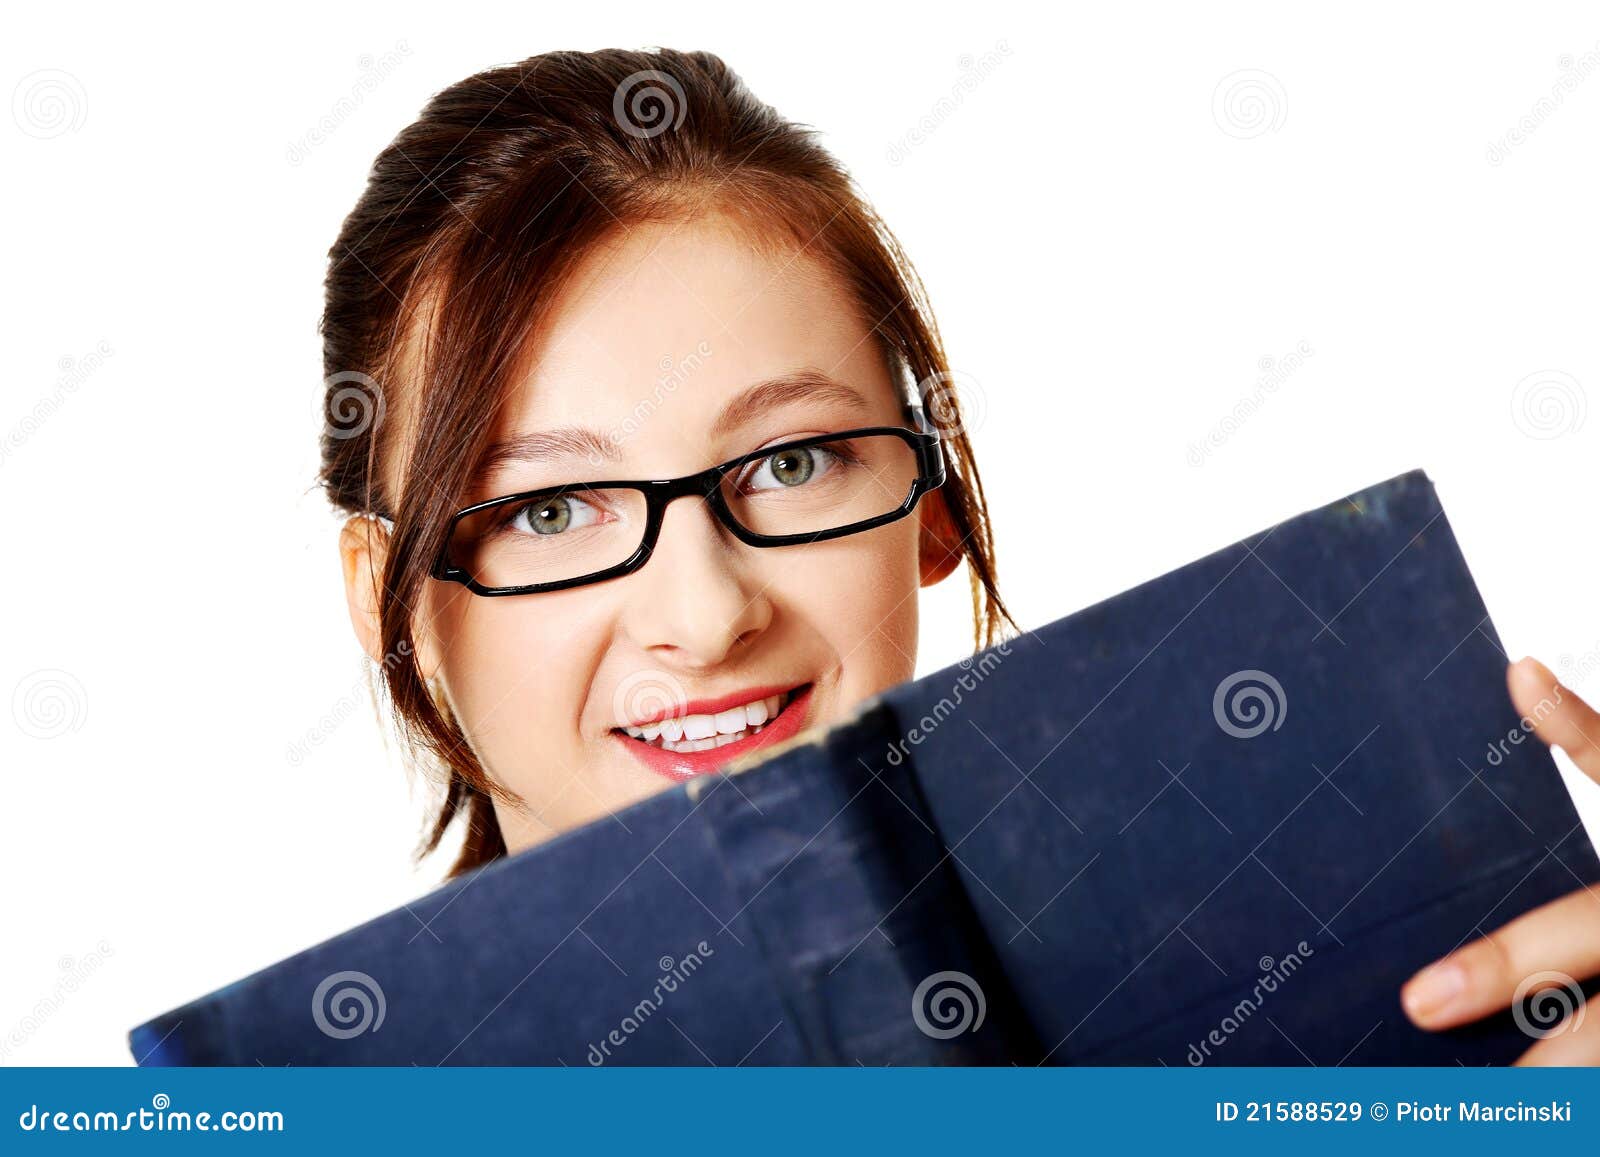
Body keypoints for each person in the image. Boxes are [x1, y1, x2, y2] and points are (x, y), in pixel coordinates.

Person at [317, 47, 1599, 1064]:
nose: (703, 616)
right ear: (391, 598)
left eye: (790, 463)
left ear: (928, 500)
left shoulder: (1374, 966)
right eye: (548, 510)